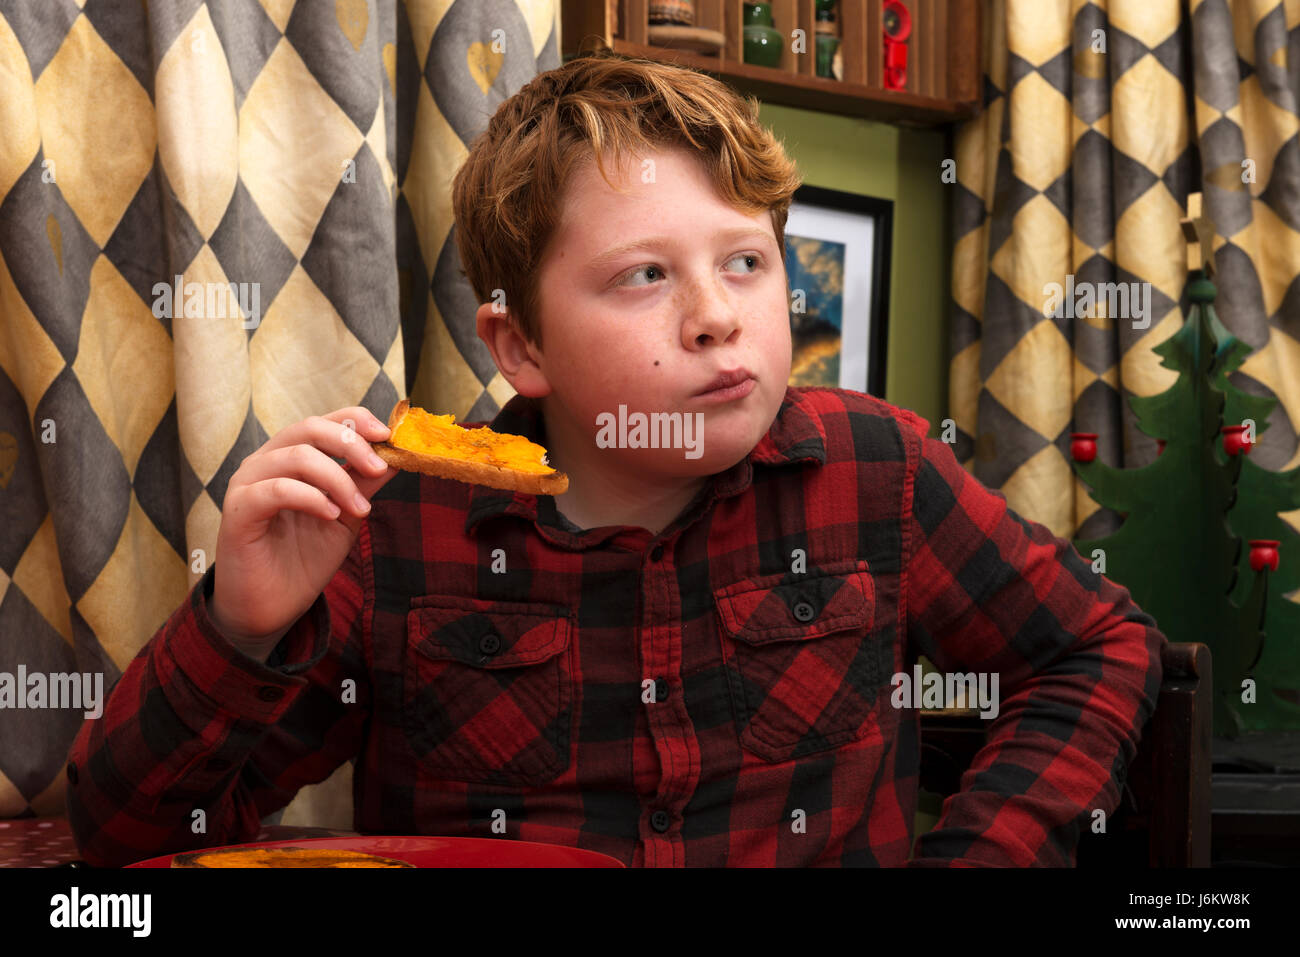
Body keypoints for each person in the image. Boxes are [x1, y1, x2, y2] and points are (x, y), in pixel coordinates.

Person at [65, 51, 1166, 867]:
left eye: (745, 262)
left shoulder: (877, 469)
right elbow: (131, 839)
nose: (714, 318)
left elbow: (1098, 648)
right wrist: (240, 628)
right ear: (522, 344)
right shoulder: (396, 527)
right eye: (644, 277)